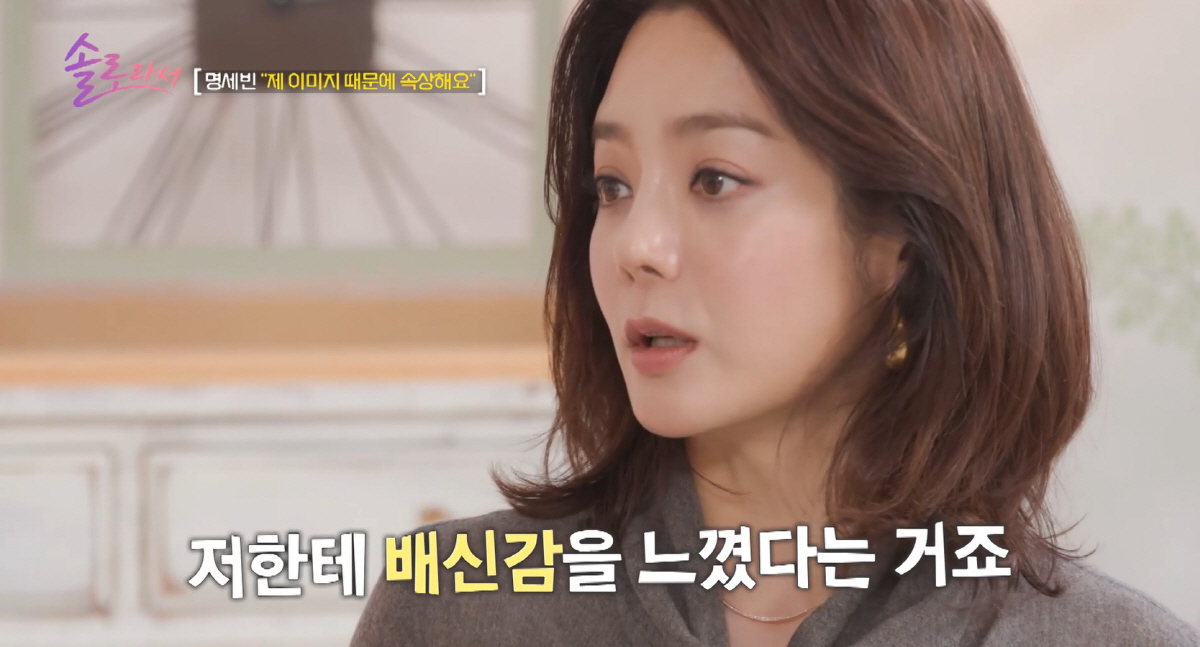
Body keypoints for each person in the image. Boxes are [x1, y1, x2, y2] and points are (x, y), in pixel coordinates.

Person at [350, 1, 1200, 645]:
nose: (636, 245)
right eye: (612, 185)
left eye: (714, 179)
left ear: (900, 241)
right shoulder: (451, 609)